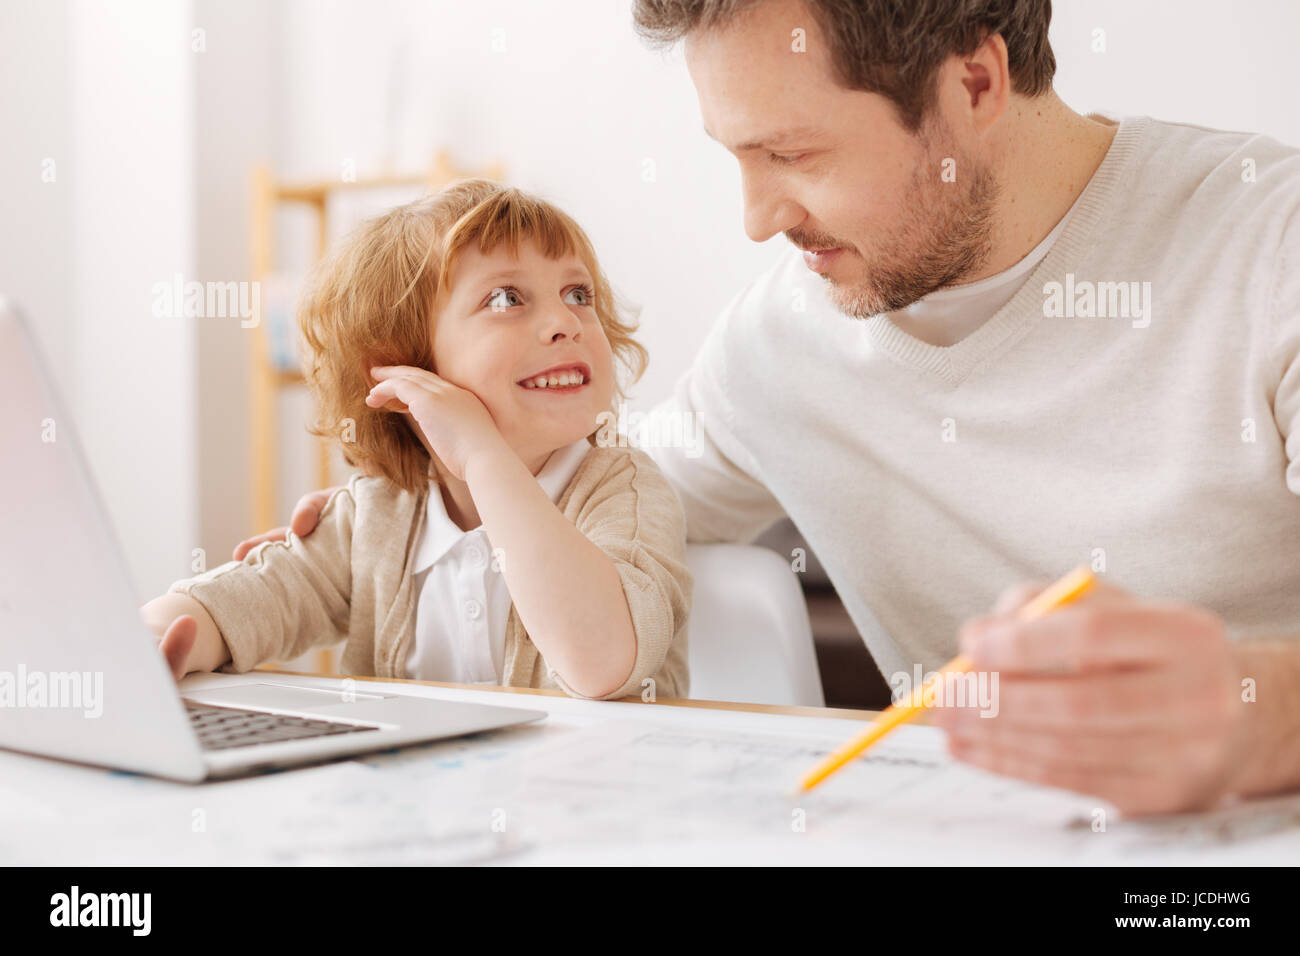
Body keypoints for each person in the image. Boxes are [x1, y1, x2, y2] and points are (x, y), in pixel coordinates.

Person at [238, 0, 1300, 816]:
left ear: (974, 82)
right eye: (737, 158)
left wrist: (1253, 716)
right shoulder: (781, 344)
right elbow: (584, 501)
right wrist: (398, 507)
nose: (755, 220)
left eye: (791, 154)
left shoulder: (1269, 241)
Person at [145, 179, 691, 701]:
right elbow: (247, 602)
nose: (565, 322)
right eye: (506, 298)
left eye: (578, 293)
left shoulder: (625, 490)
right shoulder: (377, 514)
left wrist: (481, 454)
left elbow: (600, 663)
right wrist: (161, 633)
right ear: (403, 369)